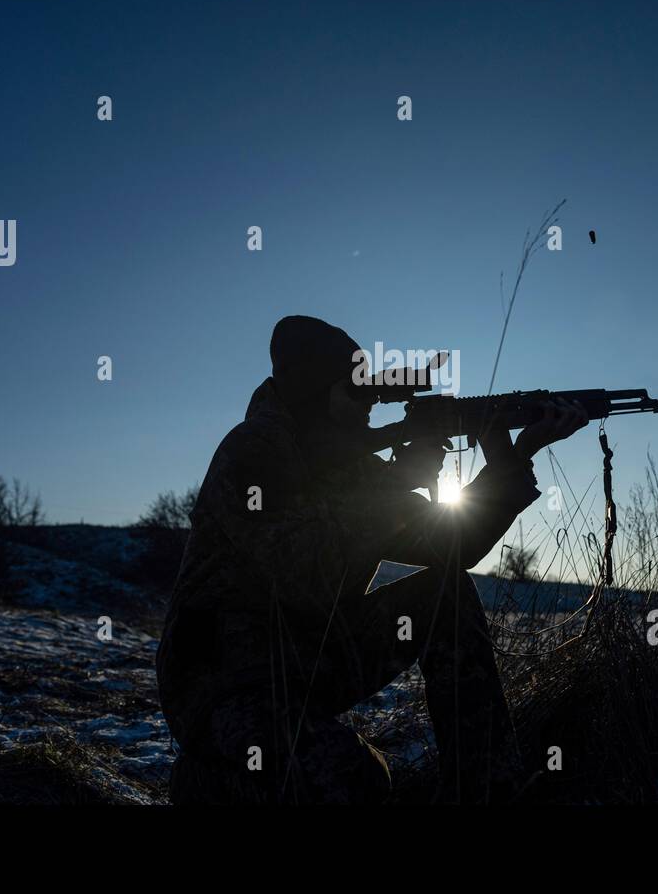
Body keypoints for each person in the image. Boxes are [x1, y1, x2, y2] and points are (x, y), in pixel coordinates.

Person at [155, 315, 588, 803]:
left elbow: (452, 548)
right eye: (356, 393)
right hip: (224, 684)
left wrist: (512, 456)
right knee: (356, 780)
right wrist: (397, 480)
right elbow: (304, 577)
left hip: (305, 661)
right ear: (312, 392)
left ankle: (488, 790)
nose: (370, 408)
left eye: (373, 393)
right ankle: (210, 780)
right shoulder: (253, 453)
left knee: (443, 589)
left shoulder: (356, 468)